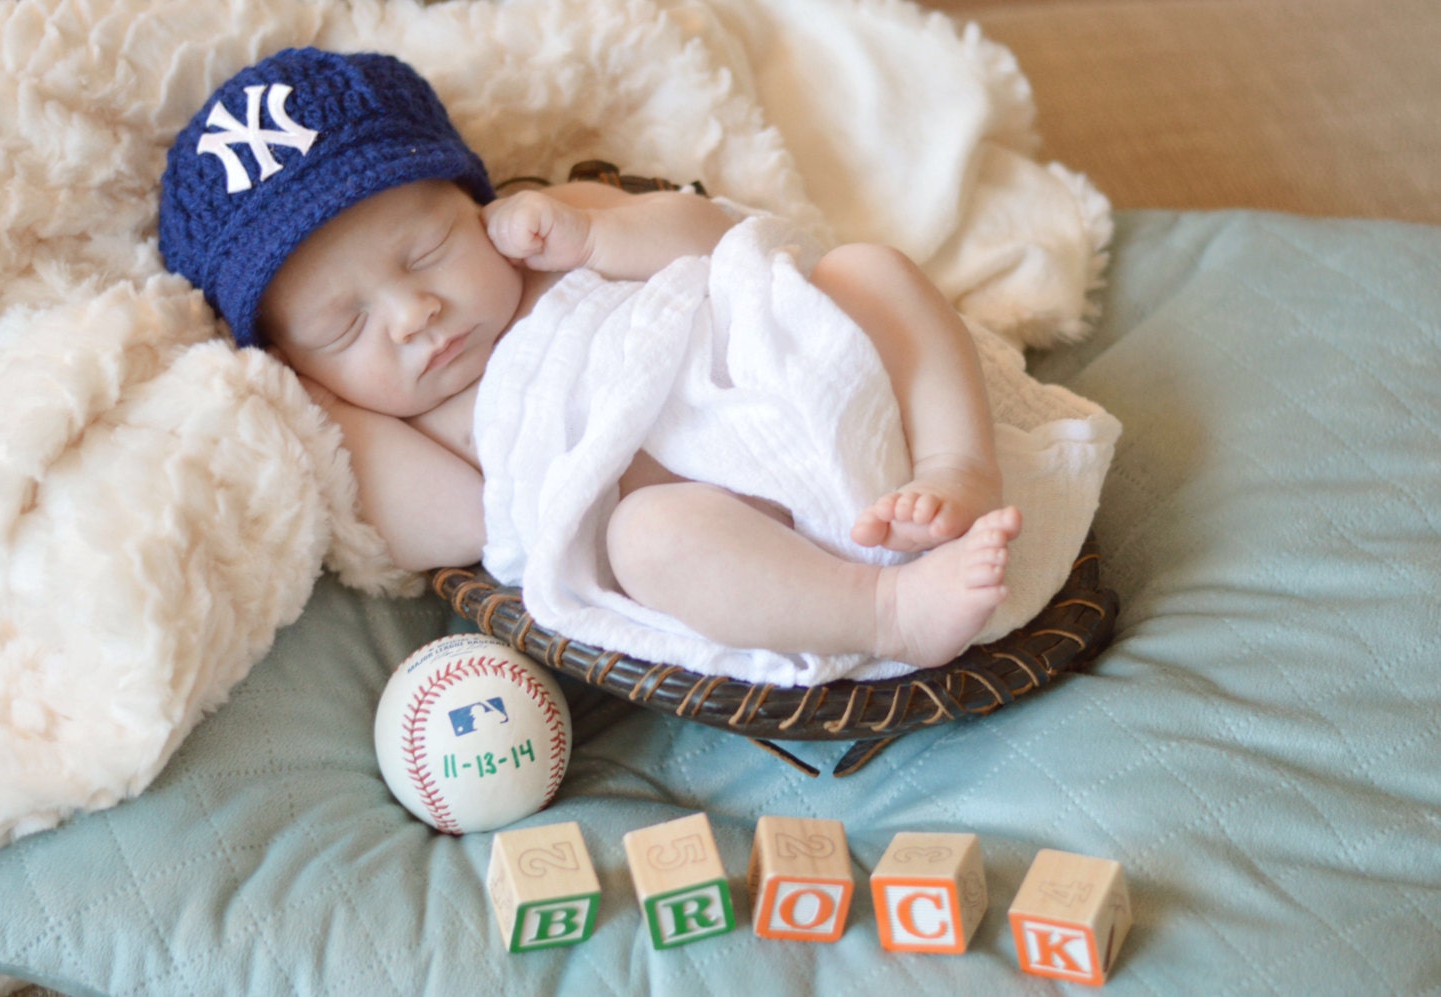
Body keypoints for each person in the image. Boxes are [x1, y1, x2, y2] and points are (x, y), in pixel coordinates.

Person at [159, 47, 1022, 671]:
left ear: (473, 200)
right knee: (649, 537)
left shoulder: (544, 234)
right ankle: (886, 613)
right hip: (746, 538)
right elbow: (460, 525)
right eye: (344, 327)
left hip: (803, 391)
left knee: (864, 272)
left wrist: (595, 230)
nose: (412, 314)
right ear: (296, 363)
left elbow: (717, 239)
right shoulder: (406, 422)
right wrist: (332, 404)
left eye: (424, 253)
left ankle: (958, 467)